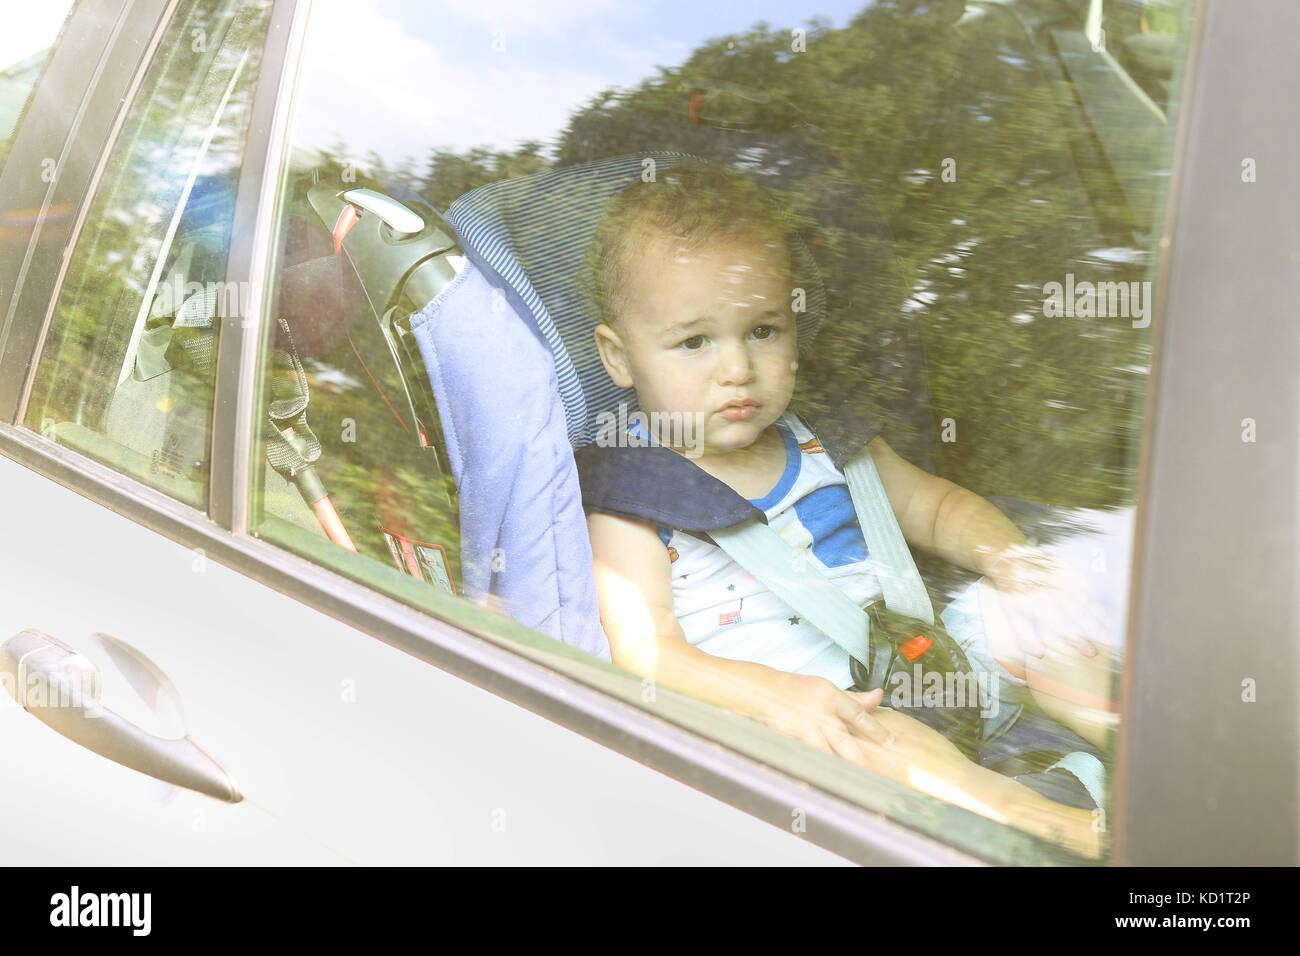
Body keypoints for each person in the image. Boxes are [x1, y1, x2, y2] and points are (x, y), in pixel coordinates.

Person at [581, 161, 1113, 856]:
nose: (737, 367)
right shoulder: (632, 493)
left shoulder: (824, 436)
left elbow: (939, 508)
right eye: (694, 342)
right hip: (816, 709)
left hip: (920, 654)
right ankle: (1032, 818)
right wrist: (777, 697)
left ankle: (1128, 733)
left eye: (764, 330)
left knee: (1032, 619)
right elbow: (648, 649)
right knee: (876, 744)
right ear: (619, 358)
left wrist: (1018, 567)